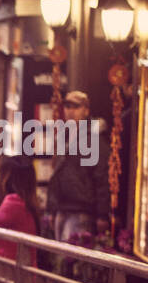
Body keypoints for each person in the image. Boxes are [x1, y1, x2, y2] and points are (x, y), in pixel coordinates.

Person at [46, 90, 110, 245]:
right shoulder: (65, 136)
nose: (70, 111)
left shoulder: (93, 138)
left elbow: (101, 177)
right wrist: (52, 209)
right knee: (60, 259)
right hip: (63, 208)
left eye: (75, 106)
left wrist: (102, 214)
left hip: (81, 209)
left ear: (86, 110)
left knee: (70, 259)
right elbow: (56, 175)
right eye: (67, 106)